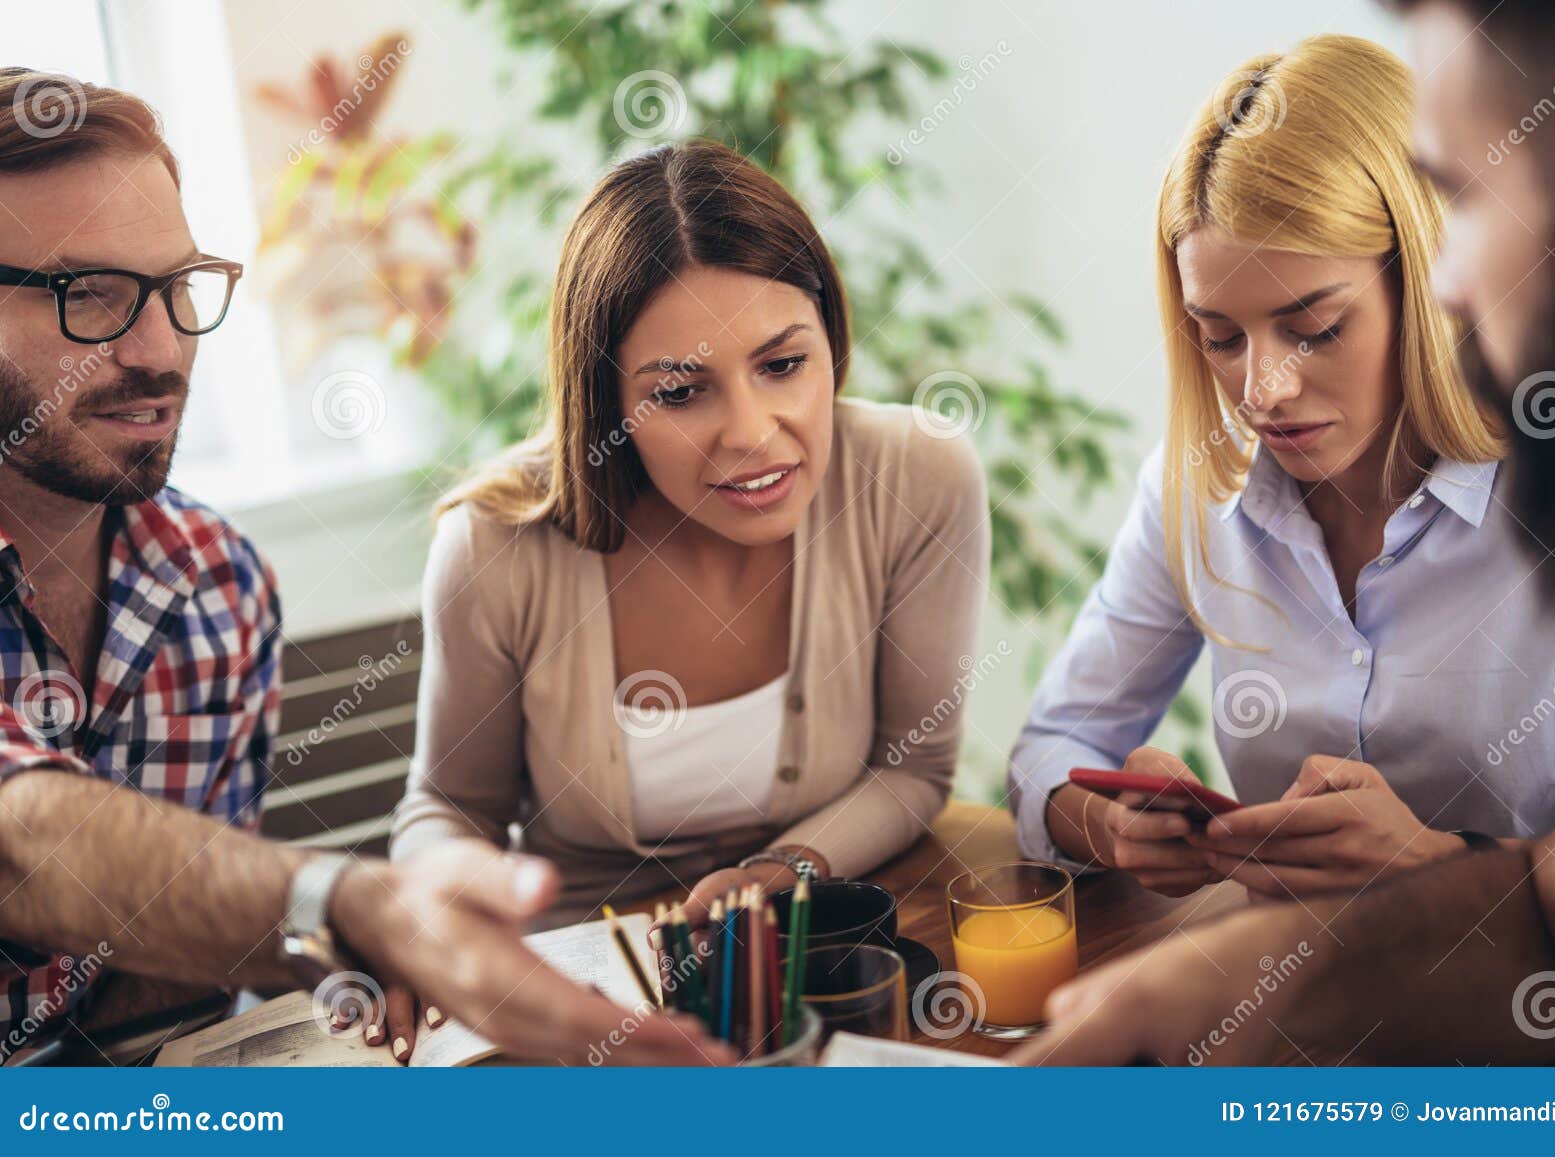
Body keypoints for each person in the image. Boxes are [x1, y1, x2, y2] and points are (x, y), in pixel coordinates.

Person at [0, 68, 725, 1067]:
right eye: (90, 295)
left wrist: (320, 942)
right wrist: (343, 907)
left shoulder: (212, 584)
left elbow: (155, 971)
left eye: (176, 288)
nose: (161, 348)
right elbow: (19, 832)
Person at [1016, 1, 1555, 1064]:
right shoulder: (1196, 493)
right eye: (1219, 338)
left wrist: (1434, 860)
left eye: (1315, 327)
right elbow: (1053, 747)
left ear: (1421, 271)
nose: (1264, 389)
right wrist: (1104, 823)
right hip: (1288, 1018)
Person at [384, 138, 990, 1057]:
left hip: (833, 964)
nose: (752, 435)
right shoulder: (495, 547)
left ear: (832, 340)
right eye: (681, 391)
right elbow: (445, 806)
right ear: (605, 399)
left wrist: (781, 870)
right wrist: (432, 905)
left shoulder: (917, 476)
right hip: (586, 1003)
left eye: (784, 365)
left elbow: (913, 770)